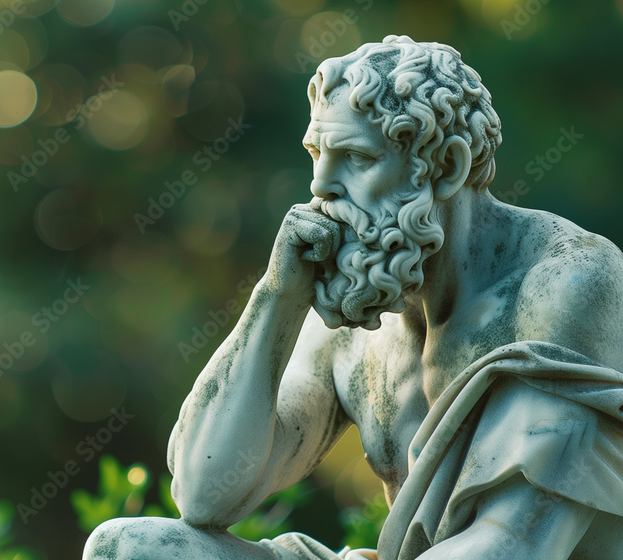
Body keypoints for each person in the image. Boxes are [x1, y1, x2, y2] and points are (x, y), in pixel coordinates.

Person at [83, 35, 623, 560]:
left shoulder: (565, 286)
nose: (320, 186)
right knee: (125, 550)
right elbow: (204, 497)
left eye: (357, 159)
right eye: (317, 152)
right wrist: (277, 298)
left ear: (448, 167)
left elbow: (515, 544)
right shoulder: (358, 318)